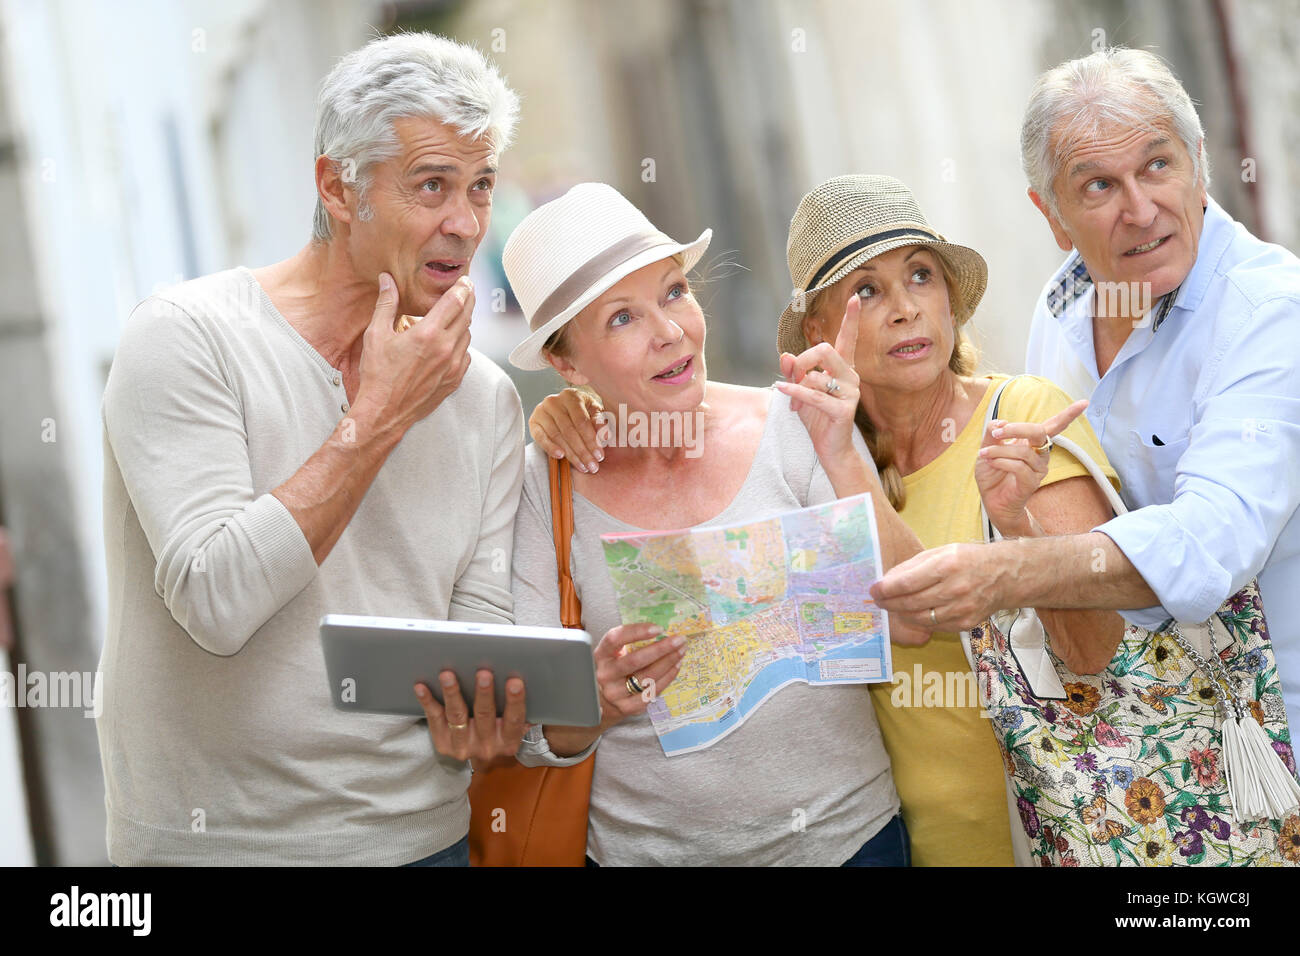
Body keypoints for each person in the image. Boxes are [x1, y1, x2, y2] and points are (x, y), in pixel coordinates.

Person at [527, 176, 1125, 865]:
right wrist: (571, 409)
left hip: (1046, 820)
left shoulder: (1007, 420)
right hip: (915, 835)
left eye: (922, 276)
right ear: (817, 332)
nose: (904, 310)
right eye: (866, 290)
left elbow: (1077, 644)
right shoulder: (817, 430)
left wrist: (1016, 529)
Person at [98, 33, 528, 866]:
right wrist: (381, 416)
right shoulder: (186, 339)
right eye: (431, 185)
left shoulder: (484, 397)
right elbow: (216, 600)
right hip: (216, 849)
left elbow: (476, 634)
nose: (466, 224)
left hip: (423, 843)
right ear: (338, 186)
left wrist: (487, 718)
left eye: (479, 187)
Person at [870, 47, 1300, 741]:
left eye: (1158, 165)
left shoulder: (1272, 312)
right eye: (1097, 185)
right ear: (1052, 215)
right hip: (1149, 752)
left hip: (1278, 741)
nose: (1140, 209)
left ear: (1200, 163)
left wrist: (1013, 569)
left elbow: (1211, 541)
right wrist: (1021, 525)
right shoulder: (1062, 305)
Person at [506, 182, 926, 866]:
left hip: (849, 843)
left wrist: (842, 456)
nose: (670, 331)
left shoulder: (796, 426)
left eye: (674, 291)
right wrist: (598, 700)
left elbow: (917, 618)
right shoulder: (540, 487)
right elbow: (527, 727)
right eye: (622, 318)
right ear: (564, 363)